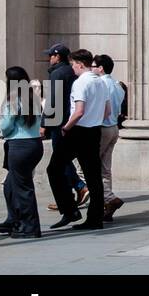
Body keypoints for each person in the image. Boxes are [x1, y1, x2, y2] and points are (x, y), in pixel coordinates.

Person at [47, 49, 109, 229]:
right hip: (94, 131)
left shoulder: (81, 83)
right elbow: (108, 112)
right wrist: (95, 119)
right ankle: (95, 218)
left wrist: (66, 127)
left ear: (80, 64)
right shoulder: (101, 82)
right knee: (94, 177)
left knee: (54, 169)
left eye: (73, 64)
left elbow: (79, 111)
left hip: (78, 131)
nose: (72, 68)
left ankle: (69, 208)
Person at [42, 42, 87, 214]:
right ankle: (76, 190)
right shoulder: (71, 72)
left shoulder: (58, 73)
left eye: (50, 55)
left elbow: (52, 101)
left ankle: (78, 188)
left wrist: (43, 124)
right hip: (69, 120)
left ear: (57, 56)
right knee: (63, 158)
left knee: (59, 161)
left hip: (58, 122)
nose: (49, 59)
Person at [0, 67, 43, 239]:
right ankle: (15, 219)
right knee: (11, 185)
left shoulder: (13, 99)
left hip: (19, 146)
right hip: (34, 144)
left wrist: (1, 129)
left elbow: (6, 125)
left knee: (23, 188)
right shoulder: (33, 97)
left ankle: (29, 227)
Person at [91, 54, 126, 222]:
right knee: (105, 168)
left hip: (103, 127)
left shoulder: (100, 84)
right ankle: (108, 204)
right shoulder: (118, 85)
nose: (91, 69)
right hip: (114, 128)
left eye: (93, 66)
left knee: (87, 166)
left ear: (101, 68)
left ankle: (108, 198)